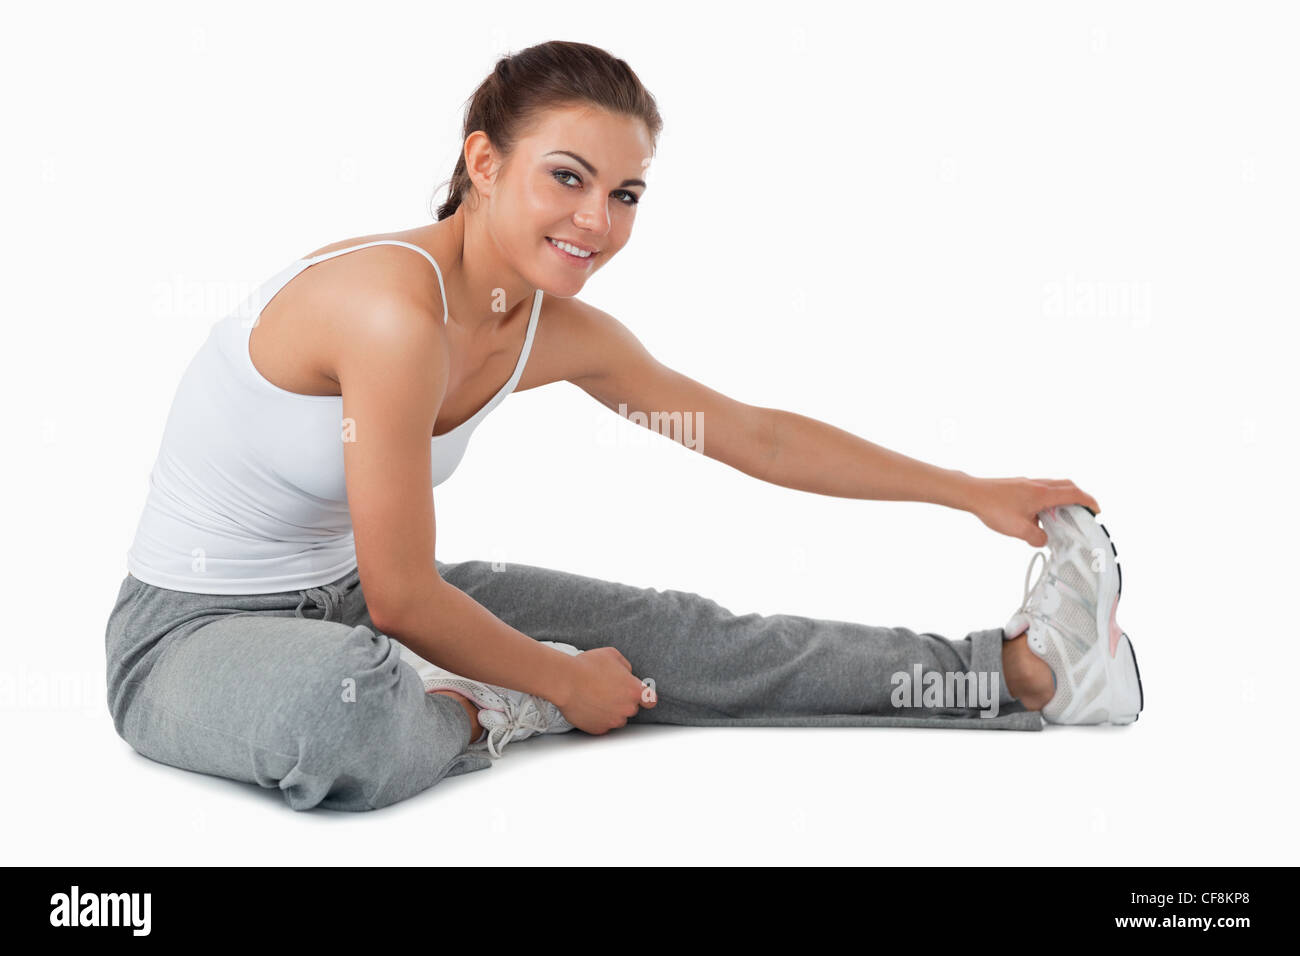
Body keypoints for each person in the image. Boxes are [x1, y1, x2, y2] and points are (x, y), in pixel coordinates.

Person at [104, 40, 1143, 812]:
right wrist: (554, 677)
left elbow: (750, 435)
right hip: (189, 637)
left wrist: (965, 490)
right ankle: (485, 704)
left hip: (354, 604)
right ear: (483, 161)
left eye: (626, 192)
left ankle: (1019, 672)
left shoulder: (555, 332)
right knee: (342, 714)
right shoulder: (387, 313)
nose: (596, 222)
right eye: (568, 176)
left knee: (674, 631)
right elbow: (405, 592)